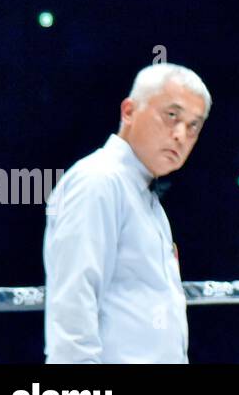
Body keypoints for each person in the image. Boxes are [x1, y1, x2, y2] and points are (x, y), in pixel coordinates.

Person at [44, 63, 210, 363]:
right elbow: (73, 304)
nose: (180, 135)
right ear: (129, 111)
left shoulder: (146, 198)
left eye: (193, 126)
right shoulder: (98, 180)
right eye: (172, 115)